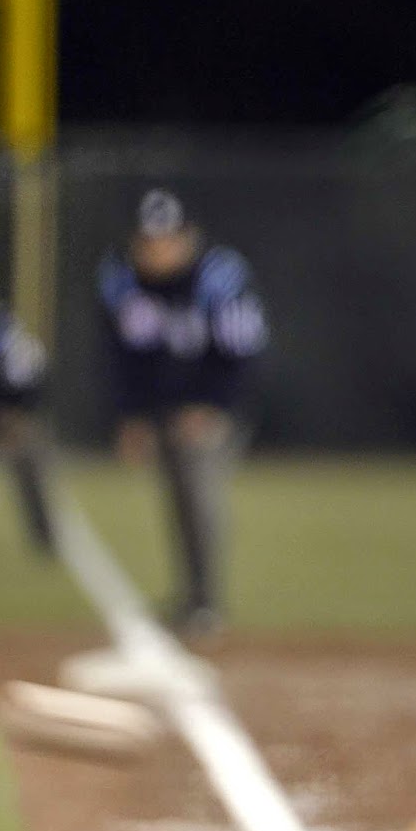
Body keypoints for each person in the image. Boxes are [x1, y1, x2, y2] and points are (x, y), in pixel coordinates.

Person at [96, 188, 269, 639]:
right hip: (162, 406)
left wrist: (213, 408)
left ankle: (207, 603)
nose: (157, 252)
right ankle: (192, 599)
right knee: (175, 498)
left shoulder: (220, 276)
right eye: (148, 242)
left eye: (167, 241)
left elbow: (241, 352)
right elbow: (126, 357)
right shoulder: (123, 279)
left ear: (189, 238)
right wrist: (132, 416)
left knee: (198, 487)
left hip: (215, 404)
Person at [0, 304, 56, 552]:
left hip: (9, 409)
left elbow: (28, 368)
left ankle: (45, 532)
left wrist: (14, 414)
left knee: (27, 443)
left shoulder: (6, 331)